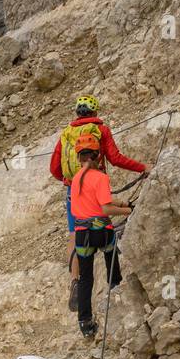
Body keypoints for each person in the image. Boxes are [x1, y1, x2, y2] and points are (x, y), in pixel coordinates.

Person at [50, 94, 147, 312]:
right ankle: (114, 283)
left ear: (77, 113)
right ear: (95, 112)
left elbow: (54, 169)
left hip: (72, 189)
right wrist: (143, 167)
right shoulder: (100, 130)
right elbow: (116, 158)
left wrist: (72, 183)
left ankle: (76, 281)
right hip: (97, 185)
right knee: (103, 225)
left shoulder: (67, 134)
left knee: (75, 232)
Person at [69, 135, 133, 338]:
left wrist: (120, 203)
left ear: (79, 158)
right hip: (101, 232)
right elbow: (105, 208)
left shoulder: (76, 179)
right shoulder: (101, 177)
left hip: (82, 236)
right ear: (98, 156)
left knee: (86, 278)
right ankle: (116, 297)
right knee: (112, 262)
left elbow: (97, 200)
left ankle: (85, 323)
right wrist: (127, 212)